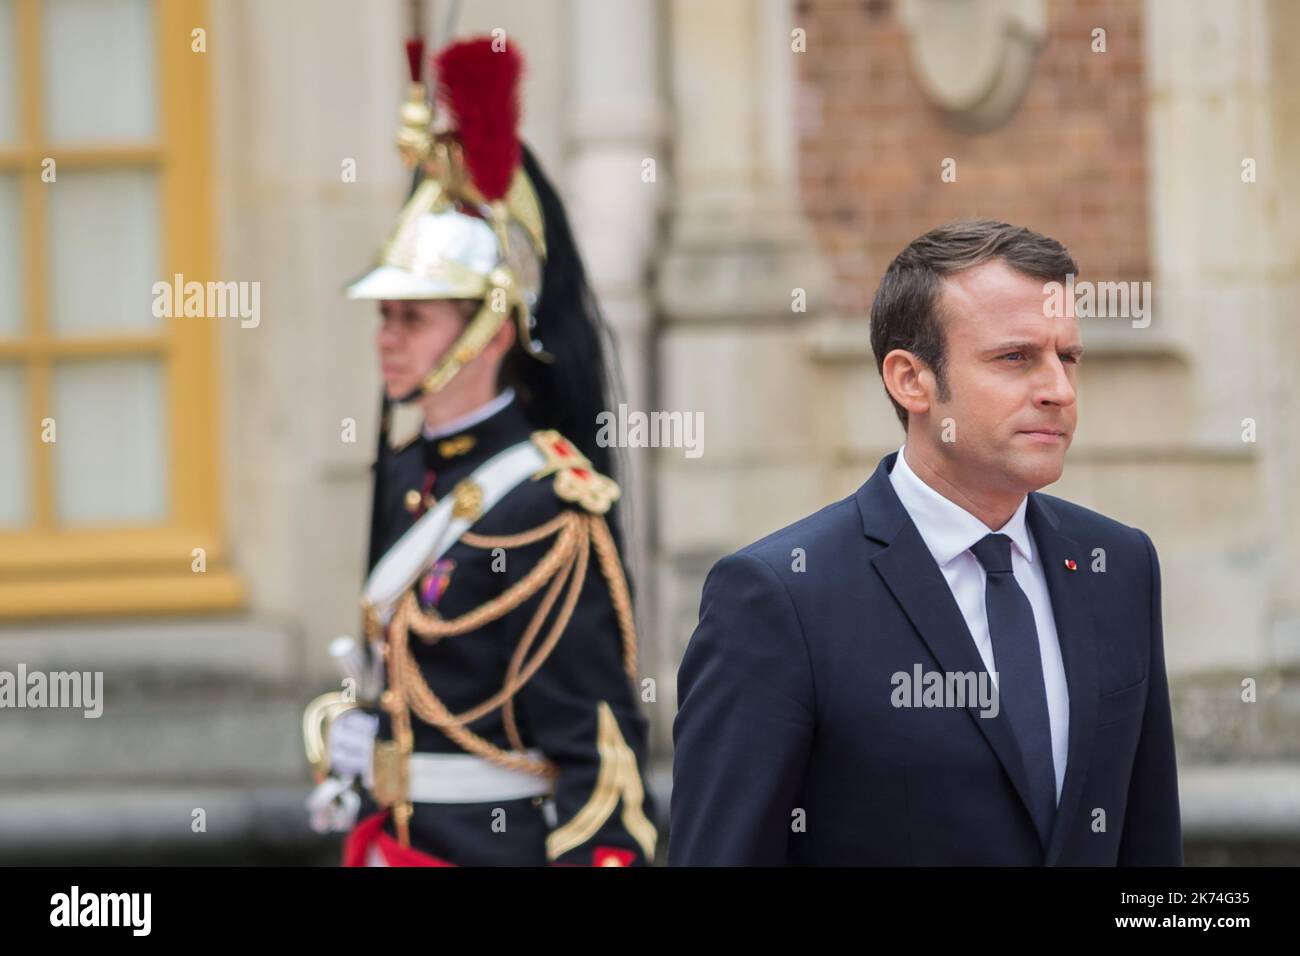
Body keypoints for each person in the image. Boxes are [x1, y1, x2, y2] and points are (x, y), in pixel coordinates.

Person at [669, 220, 1182, 866]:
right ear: (911, 380)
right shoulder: (779, 598)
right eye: (1015, 357)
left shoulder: (1120, 567)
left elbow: (1150, 849)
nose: (1059, 389)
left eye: (1068, 356)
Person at [302, 35, 656, 867]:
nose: (387, 339)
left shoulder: (551, 505)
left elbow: (596, 757)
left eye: (414, 318)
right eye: (385, 317)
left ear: (490, 328)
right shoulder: (405, 468)